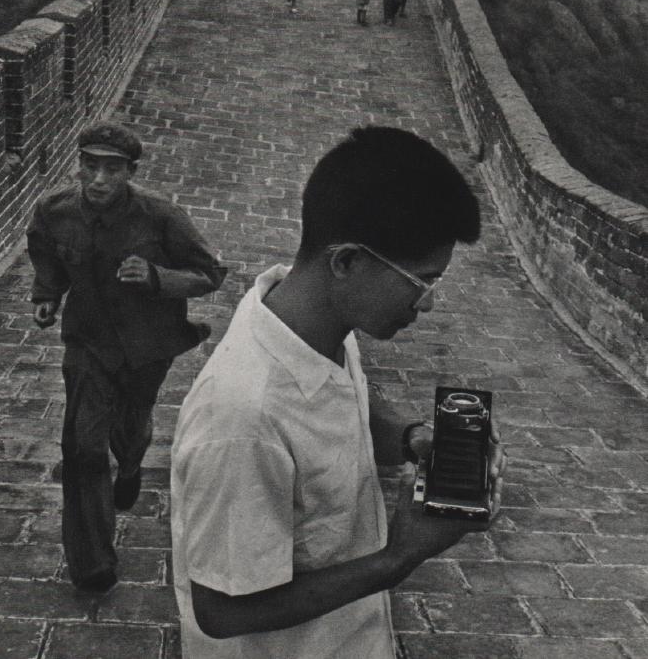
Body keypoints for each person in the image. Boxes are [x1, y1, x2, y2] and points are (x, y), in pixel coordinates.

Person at [171, 125, 506, 659]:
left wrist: (412, 439)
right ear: (347, 261)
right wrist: (396, 559)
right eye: (421, 283)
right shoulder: (241, 419)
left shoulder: (316, 323)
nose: (427, 305)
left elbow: (344, 398)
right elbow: (222, 610)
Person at [27, 121, 226, 593]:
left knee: (131, 426)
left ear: (130, 172)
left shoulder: (161, 217)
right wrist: (48, 294)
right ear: (78, 165)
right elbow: (45, 254)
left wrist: (158, 276)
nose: (99, 179)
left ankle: (132, 464)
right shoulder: (54, 211)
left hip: (147, 345)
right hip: (88, 342)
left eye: (112, 170)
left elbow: (208, 273)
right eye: (90, 166)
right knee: (81, 446)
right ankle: (93, 563)